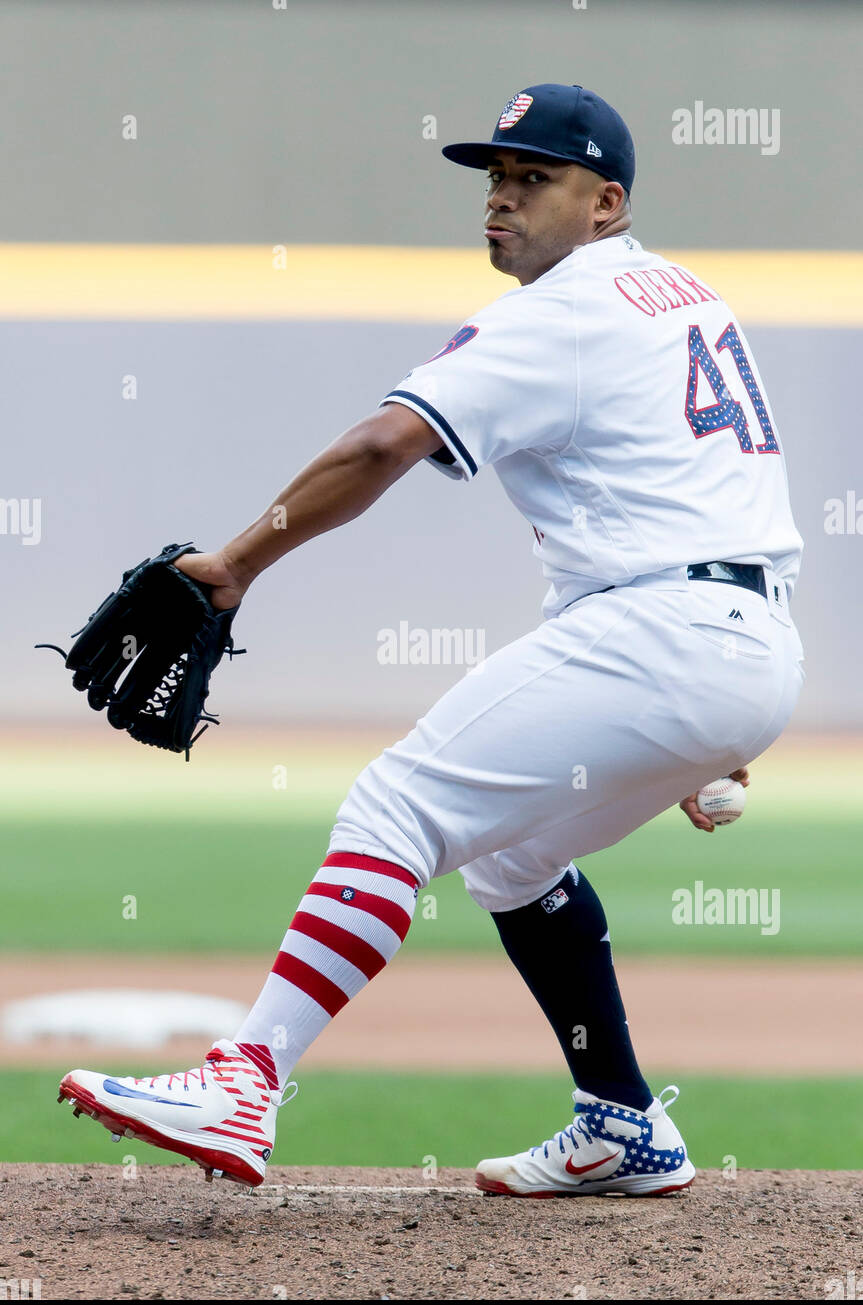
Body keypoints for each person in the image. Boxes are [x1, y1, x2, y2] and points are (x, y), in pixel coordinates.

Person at [59, 84, 804, 1197]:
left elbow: (378, 445)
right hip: (743, 639)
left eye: (532, 179)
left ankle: (245, 1076)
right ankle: (622, 1120)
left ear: (605, 202)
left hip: (662, 630)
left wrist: (234, 565)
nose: (500, 201)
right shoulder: (684, 298)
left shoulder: (560, 310)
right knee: (510, 857)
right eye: (494, 180)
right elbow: (702, 499)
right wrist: (711, 721)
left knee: (396, 806)